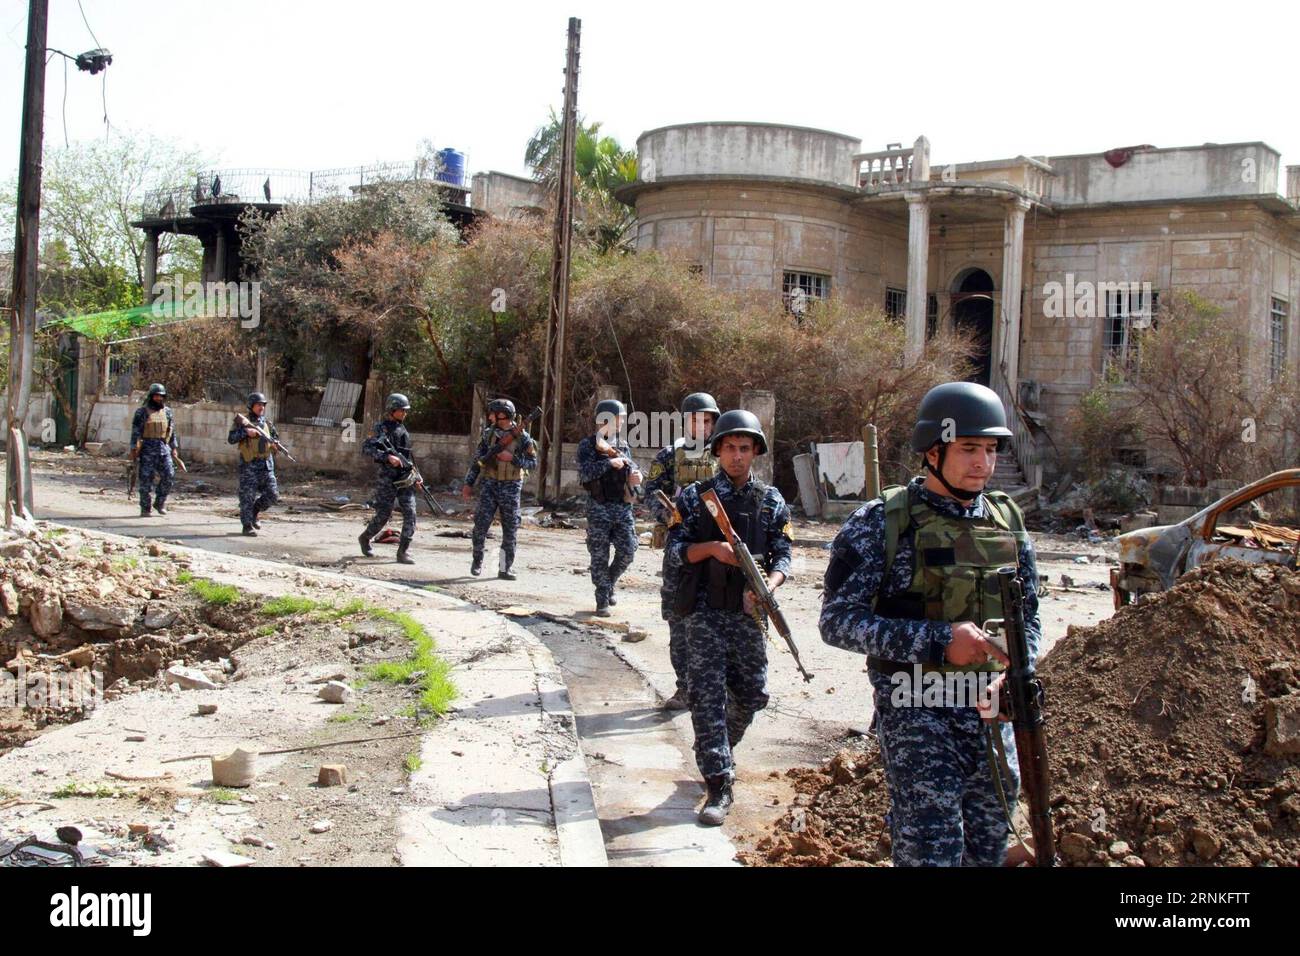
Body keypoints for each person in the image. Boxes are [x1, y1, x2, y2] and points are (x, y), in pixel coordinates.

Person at [818, 381, 1042, 867]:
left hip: (989, 712)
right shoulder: (882, 522)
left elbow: (1029, 616)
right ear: (934, 451)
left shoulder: (1007, 521)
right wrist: (940, 642)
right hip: (916, 707)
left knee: (987, 847)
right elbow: (836, 622)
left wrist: (1015, 674)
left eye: (989, 449)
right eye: (968, 449)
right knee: (931, 849)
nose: (983, 462)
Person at [665, 409, 792, 825]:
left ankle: (718, 749)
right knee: (706, 698)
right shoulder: (695, 497)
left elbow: (784, 554)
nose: (737, 456)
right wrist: (711, 551)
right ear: (717, 450)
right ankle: (719, 782)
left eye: (744, 448)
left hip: (747, 612)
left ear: (755, 451)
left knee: (753, 693)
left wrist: (769, 585)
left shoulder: (771, 501)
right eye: (730, 448)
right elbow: (673, 551)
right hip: (702, 612)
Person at [645, 391, 720, 711]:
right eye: (695, 419)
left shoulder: (724, 453)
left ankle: (716, 686)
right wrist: (668, 515)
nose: (701, 426)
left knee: (719, 617)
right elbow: (650, 492)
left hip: (717, 549)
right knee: (678, 615)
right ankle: (685, 688)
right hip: (679, 547)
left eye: (707, 420)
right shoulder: (667, 455)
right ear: (684, 422)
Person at [576, 399, 641, 616]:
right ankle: (602, 597)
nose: (622, 423)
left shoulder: (622, 446)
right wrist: (607, 463)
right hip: (599, 507)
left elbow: (630, 473)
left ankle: (610, 581)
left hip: (622, 508)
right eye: (618, 419)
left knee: (628, 550)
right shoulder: (587, 445)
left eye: (622, 419)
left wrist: (635, 477)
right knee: (599, 555)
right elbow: (584, 474)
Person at [462, 398, 538, 580]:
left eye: (492, 413)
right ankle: (477, 561)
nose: (489, 416)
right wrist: (468, 484)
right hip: (489, 484)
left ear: (501, 415)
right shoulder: (489, 435)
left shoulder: (523, 437)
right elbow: (477, 461)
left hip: (511, 487)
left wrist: (511, 459)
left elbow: (532, 463)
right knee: (480, 525)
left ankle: (505, 568)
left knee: (510, 530)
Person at [358, 393, 420, 565]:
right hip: (387, 479)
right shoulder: (381, 429)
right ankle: (365, 537)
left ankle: (403, 552)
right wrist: (387, 457)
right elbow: (366, 449)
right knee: (384, 514)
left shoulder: (403, 430)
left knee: (411, 513)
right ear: (392, 410)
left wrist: (418, 476)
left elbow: (409, 457)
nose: (405, 413)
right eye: (402, 410)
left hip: (405, 479)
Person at [228, 391, 281, 536]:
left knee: (273, 494)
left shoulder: (267, 424)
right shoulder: (243, 421)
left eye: (263, 405)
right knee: (247, 497)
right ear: (251, 406)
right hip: (249, 466)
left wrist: (276, 446)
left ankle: (255, 511)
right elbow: (231, 438)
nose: (261, 408)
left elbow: (275, 439)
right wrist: (246, 432)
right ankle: (247, 526)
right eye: (258, 405)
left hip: (265, 466)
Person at [130, 383, 180, 517]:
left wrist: (174, 448)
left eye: (161, 396)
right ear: (151, 396)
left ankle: (160, 502)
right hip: (147, 449)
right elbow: (135, 432)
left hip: (163, 448)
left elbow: (171, 431)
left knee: (169, 475)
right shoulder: (141, 412)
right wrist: (133, 449)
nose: (159, 399)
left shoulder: (167, 412)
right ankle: (145, 508)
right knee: (146, 480)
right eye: (156, 396)